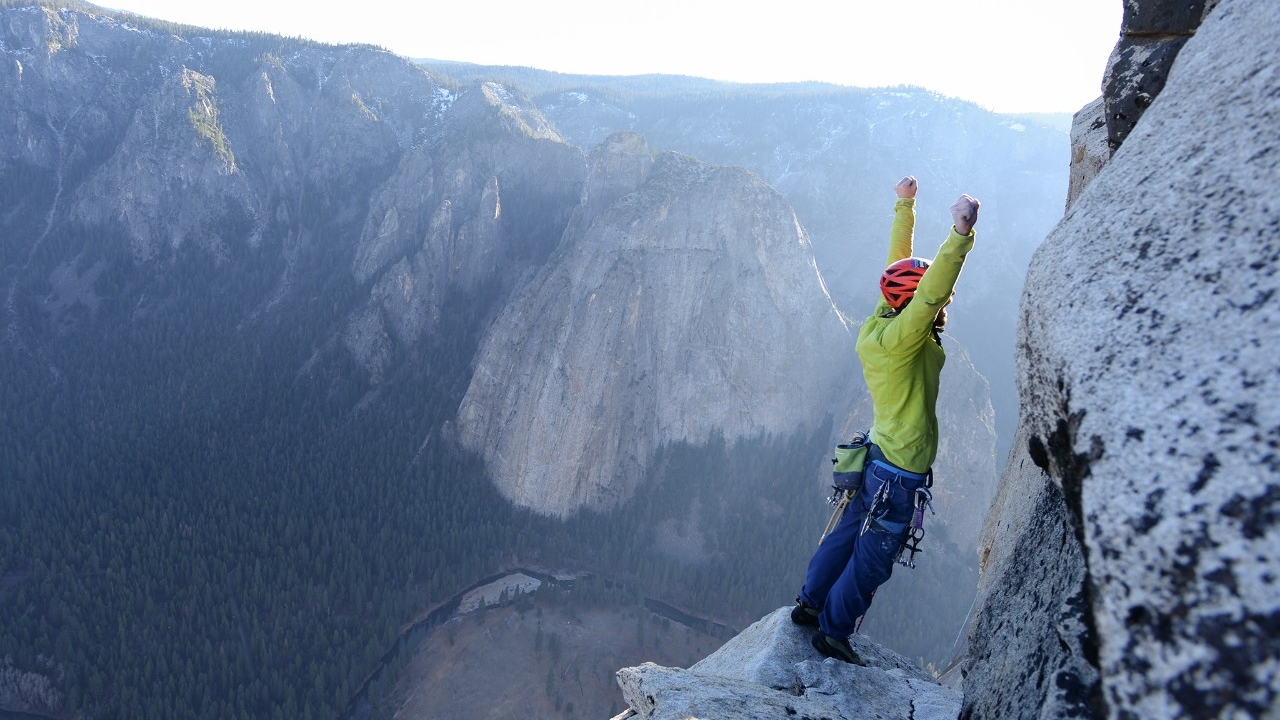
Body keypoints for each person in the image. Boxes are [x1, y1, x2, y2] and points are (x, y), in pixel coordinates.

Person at [792, 175, 979, 664]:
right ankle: (833, 633)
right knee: (872, 557)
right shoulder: (908, 337)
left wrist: (905, 205)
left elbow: (899, 269)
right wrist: (960, 235)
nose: (939, 312)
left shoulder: (882, 318)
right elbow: (932, 292)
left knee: (848, 533)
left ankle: (810, 605)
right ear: (912, 304)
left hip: (876, 458)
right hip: (898, 472)